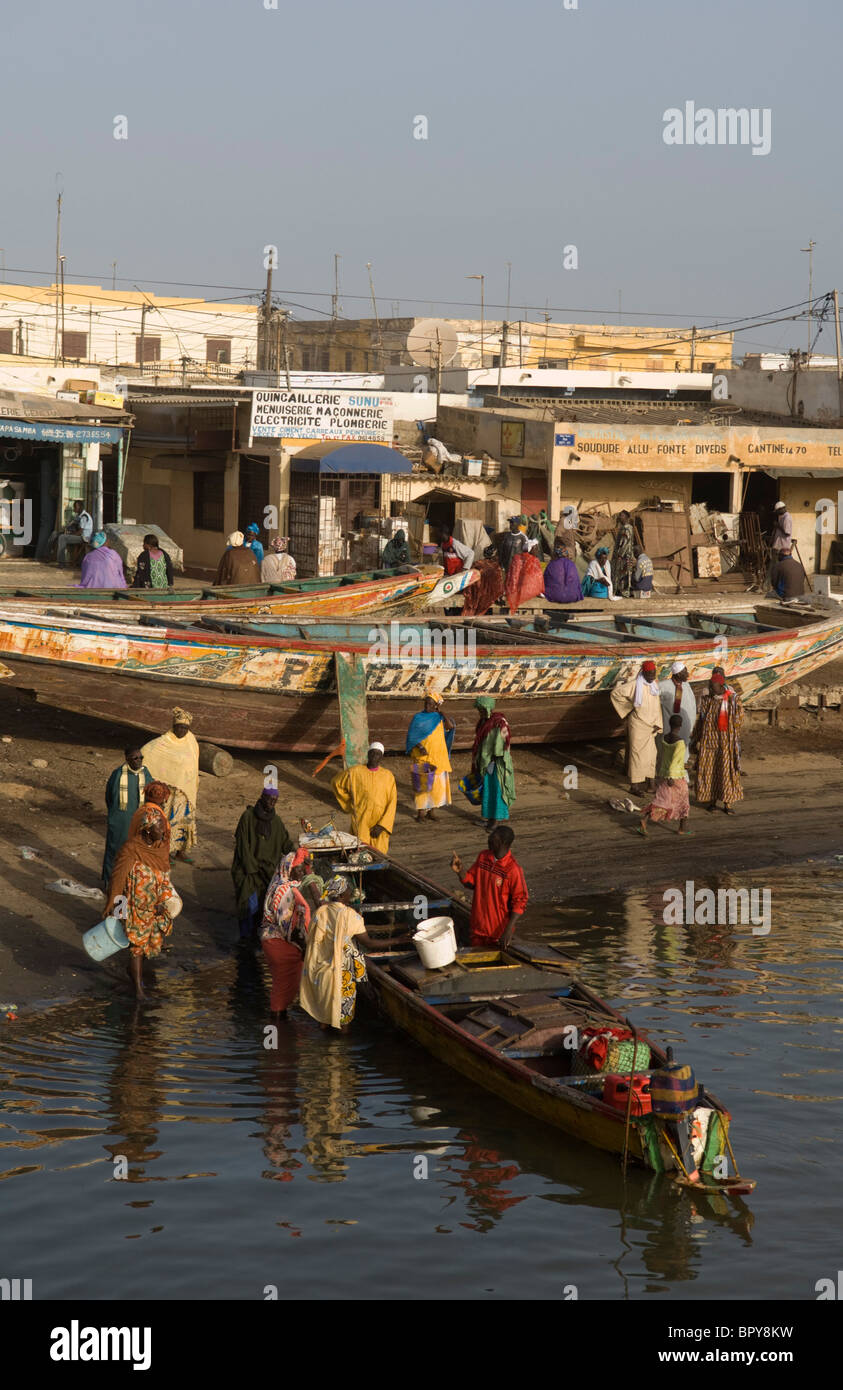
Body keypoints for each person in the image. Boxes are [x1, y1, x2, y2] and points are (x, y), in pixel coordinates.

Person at [105, 808, 177, 1000]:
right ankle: (138, 990)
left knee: (148, 944)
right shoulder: (131, 849)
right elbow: (118, 878)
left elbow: (164, 877)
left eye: (163, 825)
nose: (163, 830)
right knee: (136, 947)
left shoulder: (159, 848)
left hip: (155, 906)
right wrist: (115, 906)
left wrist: (163, 901)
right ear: (147, 829)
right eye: (159, 826)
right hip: (134, 907)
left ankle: (134, 977)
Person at [299, 876, 388, 1031]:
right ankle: (341, 1053)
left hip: (322, 971)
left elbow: (314, 942)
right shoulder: (350, 916)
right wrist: (398, 940)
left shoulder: (320, 912)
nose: (350, 893)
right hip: (343, 973)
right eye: (347, 890)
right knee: (344, 1021)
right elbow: (369, 943)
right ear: (341, 896)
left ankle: (322, 1050)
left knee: (324, 1019)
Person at [232, 786, 294, 941]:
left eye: (275, 800)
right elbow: (242, 845)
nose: (272, 803)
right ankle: (246, 937)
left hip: (267, 872)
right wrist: (252, 867)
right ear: (262, 797)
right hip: (249, 872)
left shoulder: (276, 821)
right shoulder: (247, 817)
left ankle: (257, 937)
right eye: (269, 799)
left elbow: (285, 843)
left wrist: (296, 854)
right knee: (249, 905)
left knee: (263, 906)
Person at [450, 826, 528, 948]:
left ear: (502, 843)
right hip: (478, 927)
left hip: (497, 933)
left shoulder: (513, 870)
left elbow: (520, 901)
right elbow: (471, 883)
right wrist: (460, 871)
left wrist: (507, 931)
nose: (489, 839)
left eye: (493, 837)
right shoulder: (483, 857)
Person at [141, 707, 200, 860]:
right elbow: (146, 753)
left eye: (185, 728)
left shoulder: (191, 741)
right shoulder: (164, 742)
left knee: (185, 821)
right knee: (167, 822)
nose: (182, 730)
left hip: (186, 792)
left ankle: (181, 851)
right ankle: (164, 852)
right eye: (180, 727)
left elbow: (195, 763)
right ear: (173, 727)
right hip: (170, 792)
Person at [260, 849, 313, 1016]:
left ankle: (279, 1023)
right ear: (289, 870)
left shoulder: (279, 882)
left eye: (302, 869)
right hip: (279, 943)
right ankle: (278, 1022)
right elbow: (287, 926)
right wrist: (303, 947)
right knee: (285, 981)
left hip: (272, 941)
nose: (301, 872)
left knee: (283, 981)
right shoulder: (285, 892)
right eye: (297, 869)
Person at [691, 668, 744, 814]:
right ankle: (712, 802)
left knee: (726, 772)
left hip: (726, 744)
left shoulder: (734, 700)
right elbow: (701, 722)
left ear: (721, 686)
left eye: (713, 687)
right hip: (709, 744)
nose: (710, 690)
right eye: (710, 686)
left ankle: (728, 804)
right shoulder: (707, 700)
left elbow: (739, 720)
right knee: (710, 772)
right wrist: (695, 739)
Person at [331, 741, 397, 853]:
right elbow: (336, 783)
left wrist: (382, 825)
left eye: (377, 754)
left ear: (381, 757)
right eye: (372, 753)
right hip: (361, 819)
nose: (374, 756)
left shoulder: (388, 776)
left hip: (380, 820)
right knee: (360, 849)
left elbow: (392, 802)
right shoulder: (355, 771)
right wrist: (349, 804)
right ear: (368, 754)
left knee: (379, 852)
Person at [610, 659, 662, 795]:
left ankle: (651, 784)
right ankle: (635, 786)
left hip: (651, 726)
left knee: (652, 755)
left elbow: (657, 706)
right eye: (649, 673)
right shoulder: (634, 685)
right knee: (637, 756)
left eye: (654, 673)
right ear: (643, 673)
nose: (652, 676)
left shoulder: (654, 685)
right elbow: (615, 694)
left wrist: (658, 723)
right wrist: (628, 709)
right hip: (638, 724)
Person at [102, 745, 151, 883]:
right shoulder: (118, 774)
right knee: (116, 851)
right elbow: (109, 797)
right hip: (120, 820)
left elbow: (151, 794)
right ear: (127, 759)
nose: (139, 760)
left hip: (139, 820)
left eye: (141, 757)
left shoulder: (145, 773)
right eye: (135, 758)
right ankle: (110, 882)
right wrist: (115, 814)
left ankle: (130, 883)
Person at [406, 692, 455, 822]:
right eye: (426, 703)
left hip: (438, 757)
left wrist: (443, 714)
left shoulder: (439, 718)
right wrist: (420, 746)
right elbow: (411, 737)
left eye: (431, 703)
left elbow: (450, 727)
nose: (428, 705)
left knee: (436, 787)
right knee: (422, 785)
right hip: (423, 757)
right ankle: (421, 814)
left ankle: (432, 811)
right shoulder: (418, 718)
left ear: (436, 706)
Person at [639, 714, 691, 837]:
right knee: (684, 801)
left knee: (662, 799)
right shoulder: (680, 743)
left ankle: (645, 820)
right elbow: (674, 760)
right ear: (680, 725)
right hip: (675, 776)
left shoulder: (665, 738)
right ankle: (682, 828)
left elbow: (666, 757)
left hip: (664, 772)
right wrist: (671, 777)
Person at [470, 697, 516, 831]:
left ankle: (495, 822)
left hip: (497, 763)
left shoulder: (499, 723)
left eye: (482, 710)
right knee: (488, 790)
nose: (480, 713)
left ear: (488, 708)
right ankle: (489, 819)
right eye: (479, 710)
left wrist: (491, 762)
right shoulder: (484, 722)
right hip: (486, 762)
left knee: (497, 791)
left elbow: (500, 745)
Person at [658, 661, 696, 763]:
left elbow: (693, 705)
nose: (688, 674)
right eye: (685, 672)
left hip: (685, 726)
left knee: (683, 752)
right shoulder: (662, 686)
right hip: (668, 727)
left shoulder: (687, 686)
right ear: (678, 674)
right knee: (668, 753)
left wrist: (692, 725)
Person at [462, 544, 505, 617]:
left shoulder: (476, 564)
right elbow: (498, 586)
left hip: (474, 594)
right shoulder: (496, 567)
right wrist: (500, 596)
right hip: (487, 597)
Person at [55, 499, 94, 568]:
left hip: (84, 538)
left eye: (75, 507)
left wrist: (70, 535)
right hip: (82, 536)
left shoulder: (84, 517)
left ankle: (61, 563)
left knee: (62, 538)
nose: (74, 509)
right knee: (59, 535)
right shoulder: (79, 516)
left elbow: (80, 532)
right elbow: (73, 524)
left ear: (79, 507)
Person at [612, 510, 636, 598]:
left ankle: (624, 591)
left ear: (626, 517)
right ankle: (621, 590)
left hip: (624, 556)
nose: (620, 517)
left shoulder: (626, 528)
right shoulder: (625, 527)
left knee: (624, 573)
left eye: (621, 516)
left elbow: (625, 542)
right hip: (623, 555)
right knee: (622, 573)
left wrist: (620, 555)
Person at [768, 500, 793, 586]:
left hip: (782, 547)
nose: (777, 513)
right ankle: (772, 585)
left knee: (776, 567)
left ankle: (773, 585)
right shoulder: (782, 517)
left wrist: (777, 525)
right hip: (778, 546)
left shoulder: (787, 517)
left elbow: (787, 532)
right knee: (774, 567)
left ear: (782, 509)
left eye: (778, 511)